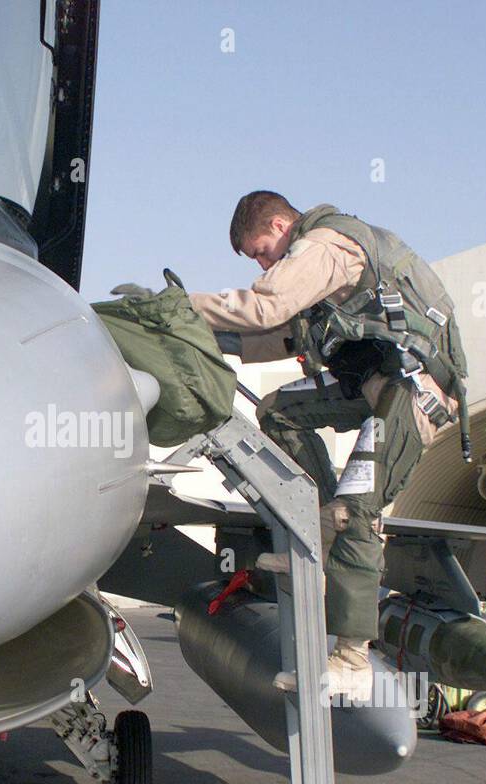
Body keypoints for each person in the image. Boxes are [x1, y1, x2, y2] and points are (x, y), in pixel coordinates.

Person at [189, 191, 470, 699]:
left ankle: (352, 658)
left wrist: (182, 308)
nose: (263, 263)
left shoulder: (325, 245)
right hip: (372, 383)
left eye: (261, 251)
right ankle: (316, 521)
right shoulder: (323, 283)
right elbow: (278, 338)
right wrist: (191, 333)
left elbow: (264, 307)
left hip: (414, 392)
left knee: (358, 510)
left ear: (280, 224)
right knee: (278, 410)